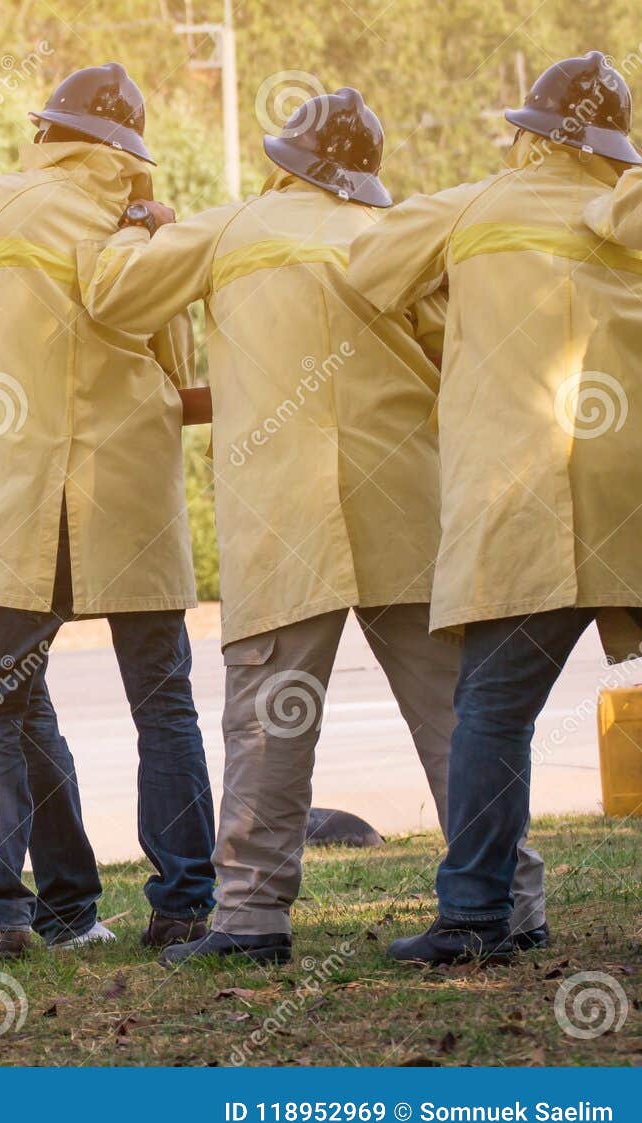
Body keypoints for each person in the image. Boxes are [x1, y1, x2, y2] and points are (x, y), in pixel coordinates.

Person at [78, 87, 548, 967]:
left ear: (281, 161)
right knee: (458, 716)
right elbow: (460, 342)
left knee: (271, 720)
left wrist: (138, 225)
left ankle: (252, 920)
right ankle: (513, 901)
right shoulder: (393, 235)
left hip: (284, 515)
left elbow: (112, 298)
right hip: (408, 503)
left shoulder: (231, 229)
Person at [0, 65, 216, 961]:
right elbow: (179, 370)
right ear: (126, 149)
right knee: (164, 703)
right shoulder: (147, 227)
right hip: (128, 492)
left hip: (15, 500)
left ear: (48, 132)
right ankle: (186, 905)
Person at [346, 52, 642, 965]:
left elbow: (369, 271)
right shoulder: (628, 208)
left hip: (523, 497)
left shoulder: (473, 207)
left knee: (492, 711)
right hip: (631, 487)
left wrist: (458, 303)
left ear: (530, 135)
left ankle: (478, 918)